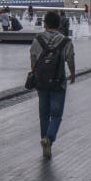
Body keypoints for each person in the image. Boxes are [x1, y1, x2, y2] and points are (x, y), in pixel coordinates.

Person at [30, 10, 75, 159]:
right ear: (60, 24)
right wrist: (72, 74)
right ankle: (48, 139)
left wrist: (35, 73)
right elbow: (70, 59)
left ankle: (45, 142)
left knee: (44, 114)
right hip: (58, 82)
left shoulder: (37, 39)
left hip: (41, 82)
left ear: (45, 24)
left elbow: (33, 59)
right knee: (56, 115)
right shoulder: (65, 41)